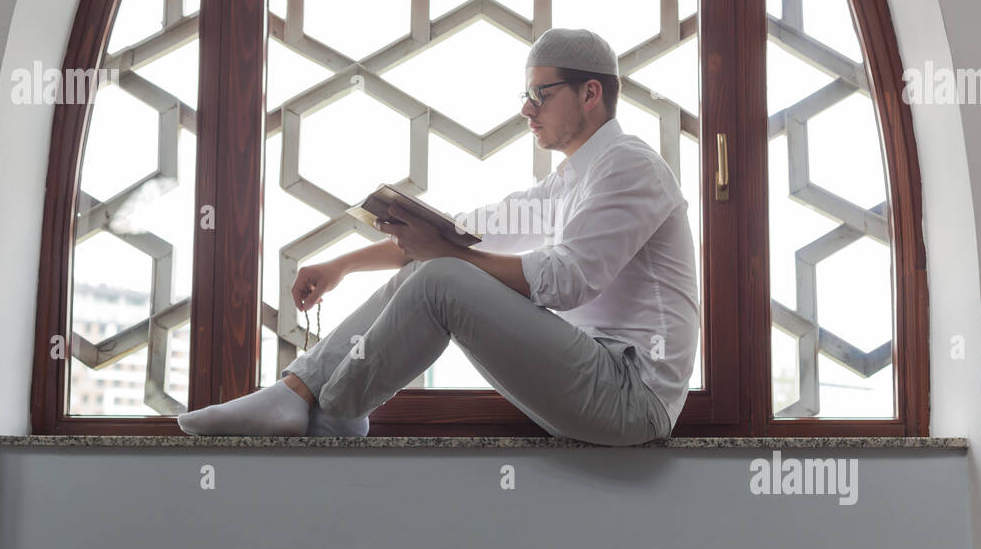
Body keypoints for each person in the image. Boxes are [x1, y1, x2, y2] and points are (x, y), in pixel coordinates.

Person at [177, 27, 700, 445]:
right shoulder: (567, 181)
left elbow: (567, 282)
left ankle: (332, 410)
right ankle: (299, 392)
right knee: (440, 266)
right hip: (590, 379)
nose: (526, 109)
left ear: (591, 93)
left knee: (443, 275)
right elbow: (464, 233)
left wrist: (444, 252)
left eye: (541, 93)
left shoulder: (630, 166)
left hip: (632, 398)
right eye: (526, 94)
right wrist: (342, 265)